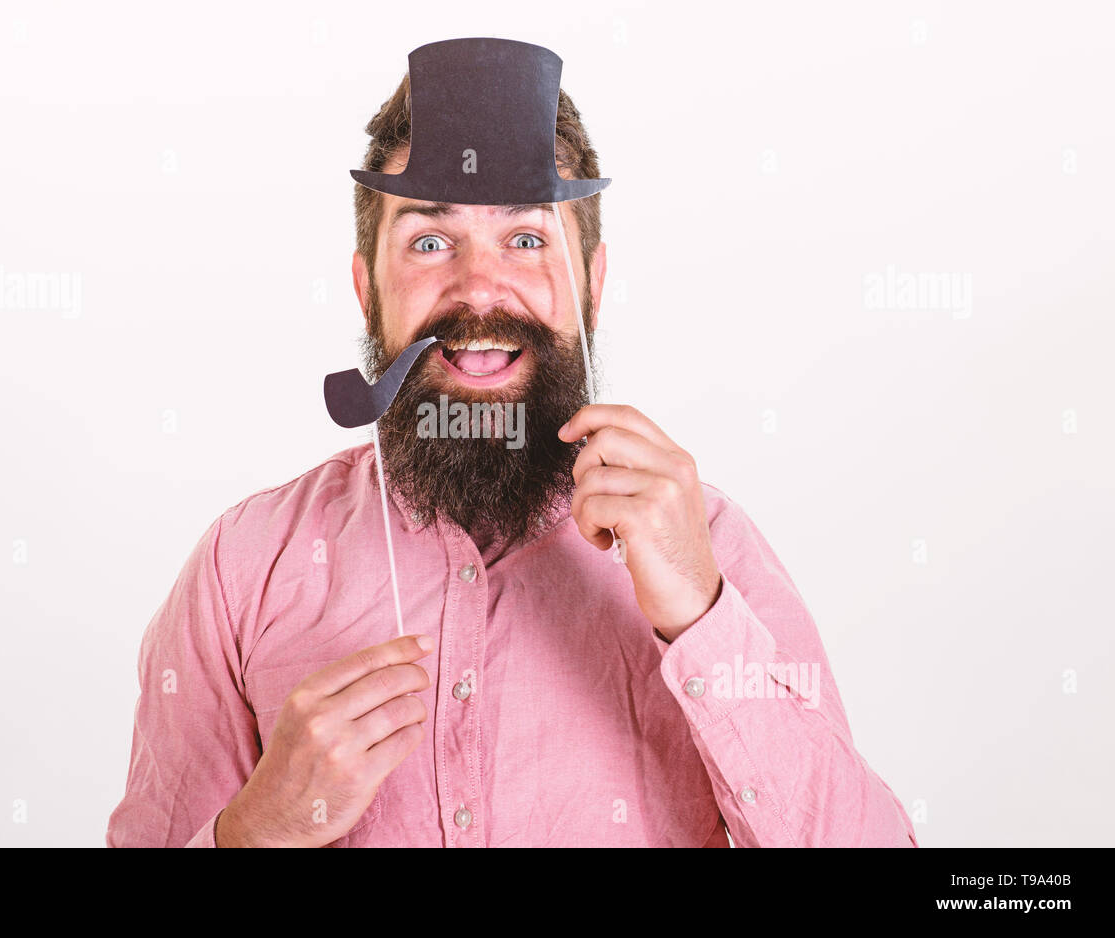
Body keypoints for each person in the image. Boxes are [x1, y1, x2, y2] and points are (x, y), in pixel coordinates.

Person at [106, 37, 918, 848]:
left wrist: (701, 620)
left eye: (527, 240)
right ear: (366, 289)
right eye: (430, 242)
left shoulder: (709, 549)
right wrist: (251, 832)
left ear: (593, 284)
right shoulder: (240, 569)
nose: (480, 288)